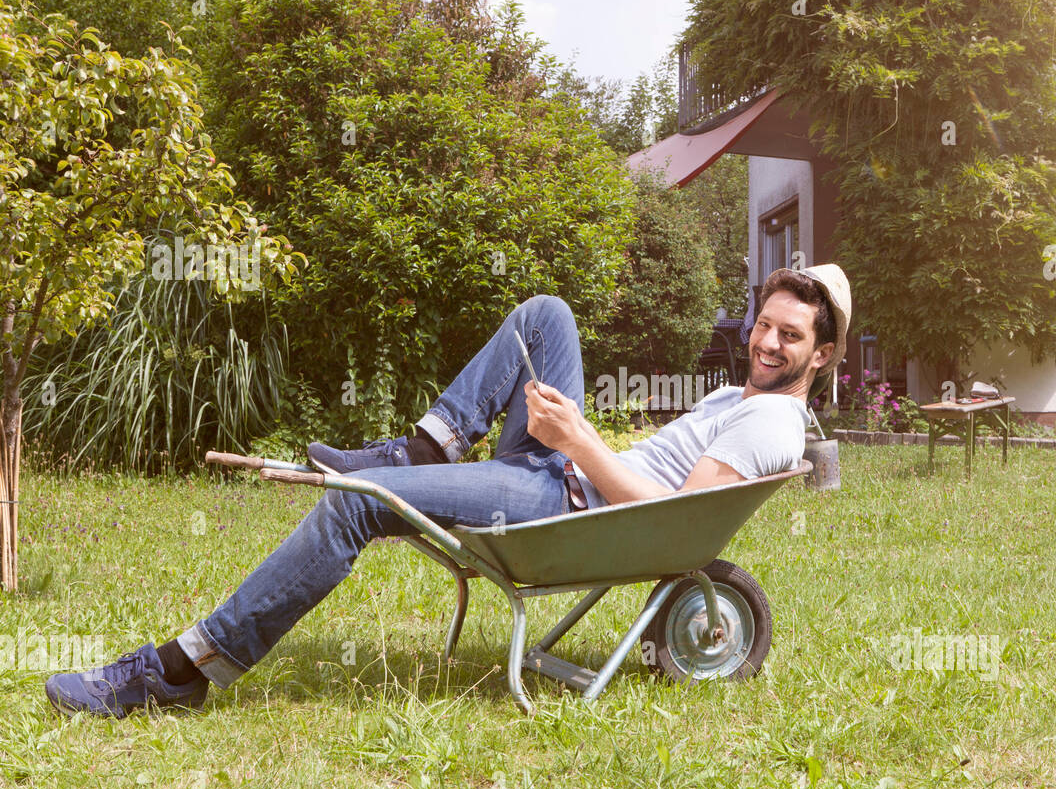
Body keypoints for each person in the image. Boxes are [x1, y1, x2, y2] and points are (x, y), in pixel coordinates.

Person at [45, 264, 851, 717]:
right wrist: (572, 439)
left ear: (820, 354)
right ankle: (421, 447)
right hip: (566, 475)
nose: (768, 341)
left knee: (357, 499)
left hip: (573, 511)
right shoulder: (743, 397)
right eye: (766, 324)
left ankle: (182, 668)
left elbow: (672, 523)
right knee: (547, 314)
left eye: (791, 335)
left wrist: (578, 441)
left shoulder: (773, 426)